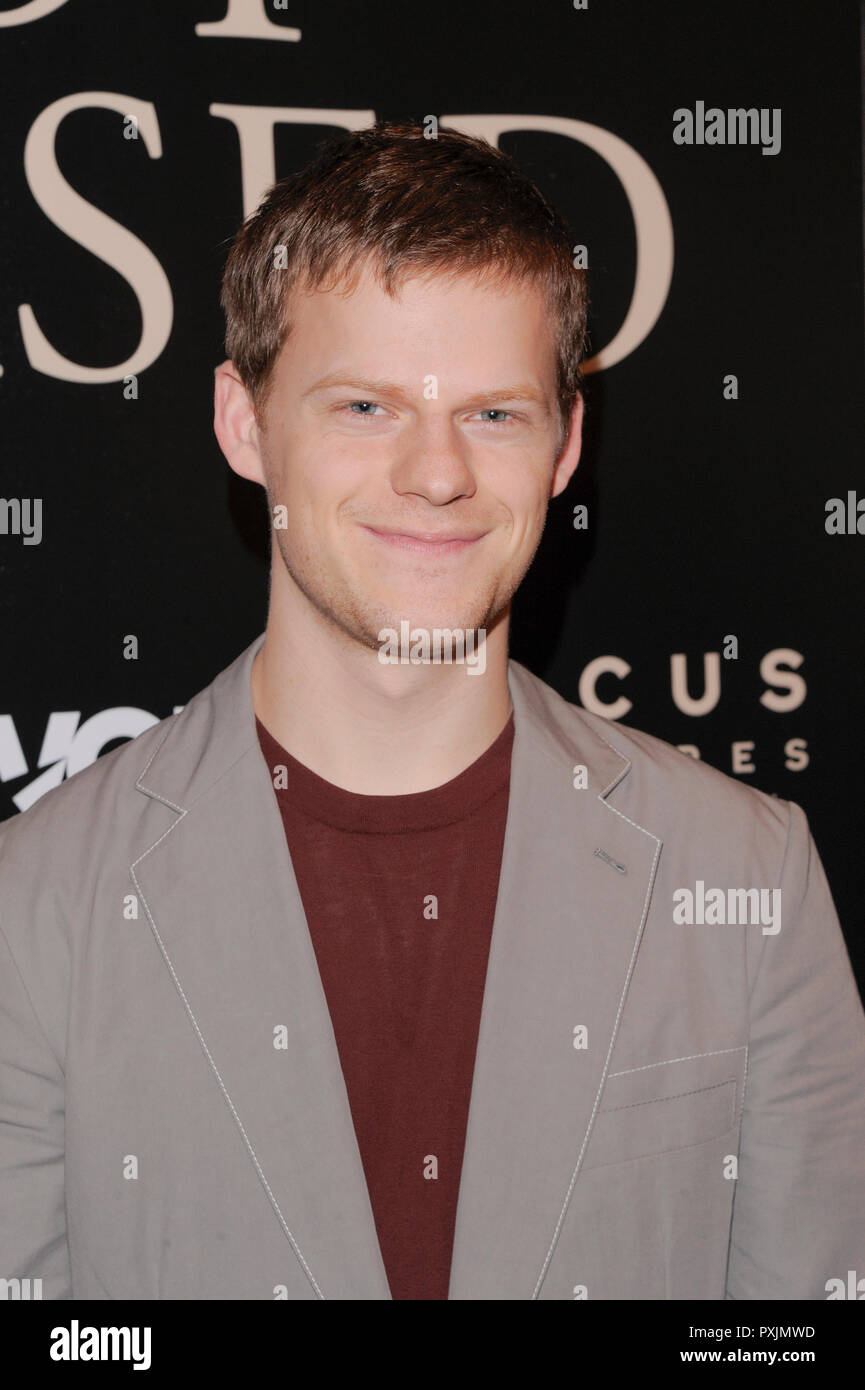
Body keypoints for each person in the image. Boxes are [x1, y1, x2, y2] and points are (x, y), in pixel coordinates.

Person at [1, 121, 863, 1302]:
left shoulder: (748, 878)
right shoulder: (35, 906)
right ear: (243, 423)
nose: (437, 473)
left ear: (565, 444)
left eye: (494, 413)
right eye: (363, 407)